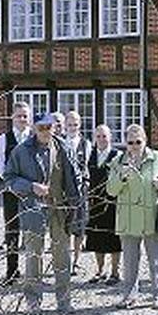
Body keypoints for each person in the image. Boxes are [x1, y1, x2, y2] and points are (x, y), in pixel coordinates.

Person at [4, 112, 87, 315]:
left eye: (48, 127)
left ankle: (64, 301)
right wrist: (31, 186)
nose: (45, 131)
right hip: (33, 209)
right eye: (41, 128)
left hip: (60, 209)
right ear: (34, 128)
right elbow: (9, 178)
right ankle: (33, 302)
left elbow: (76, 176)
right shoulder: (21, 151)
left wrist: (77, 199)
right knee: (34, 257)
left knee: (62, 257)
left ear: (54, 128)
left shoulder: (63, 147)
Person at [106, 124, 158, 309]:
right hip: (128, 218)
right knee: (129, 262)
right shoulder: (118, 162)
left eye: (138, 141)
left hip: (150, 215)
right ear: (125, 143)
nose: (135, 146)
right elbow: (111, 190)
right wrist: (122, 178)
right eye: (131, 142)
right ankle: (130, 296)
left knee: (156, 259)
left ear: (145, 141)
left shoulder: (157, 158)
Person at [0, 102, 32, 285]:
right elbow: (0, 167)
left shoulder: (34, 137)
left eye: (25, 116)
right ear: (12, 118)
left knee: (33, 230)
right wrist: (16, 184)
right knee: (12, 230)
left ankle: (33, 272)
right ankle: (12, 270)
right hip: (11, 191)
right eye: (19, 116)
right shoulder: (3, 139)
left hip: (33, 192)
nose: (22, 119)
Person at [84, 124, 122, 284]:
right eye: (98, 136)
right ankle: (100, 270)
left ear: (110, 137)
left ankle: (115, 271)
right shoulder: (89, 155)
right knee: (96, 237)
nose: (101, 139)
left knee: (113, 237)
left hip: (113, 202)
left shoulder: (117, 155)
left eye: (104, 136)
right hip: (95, 202)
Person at [63, 110, 93, 275]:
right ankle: (65, 260)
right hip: (65, 191)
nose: (72, 127)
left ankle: (76, 261)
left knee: (80, 228)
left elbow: (87, 167)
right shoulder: (60, 143)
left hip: (81, 190)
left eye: (75, 124)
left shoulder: (86, 143)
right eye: (70, 124)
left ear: (79, 125)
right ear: (65, 125)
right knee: (65, 228)